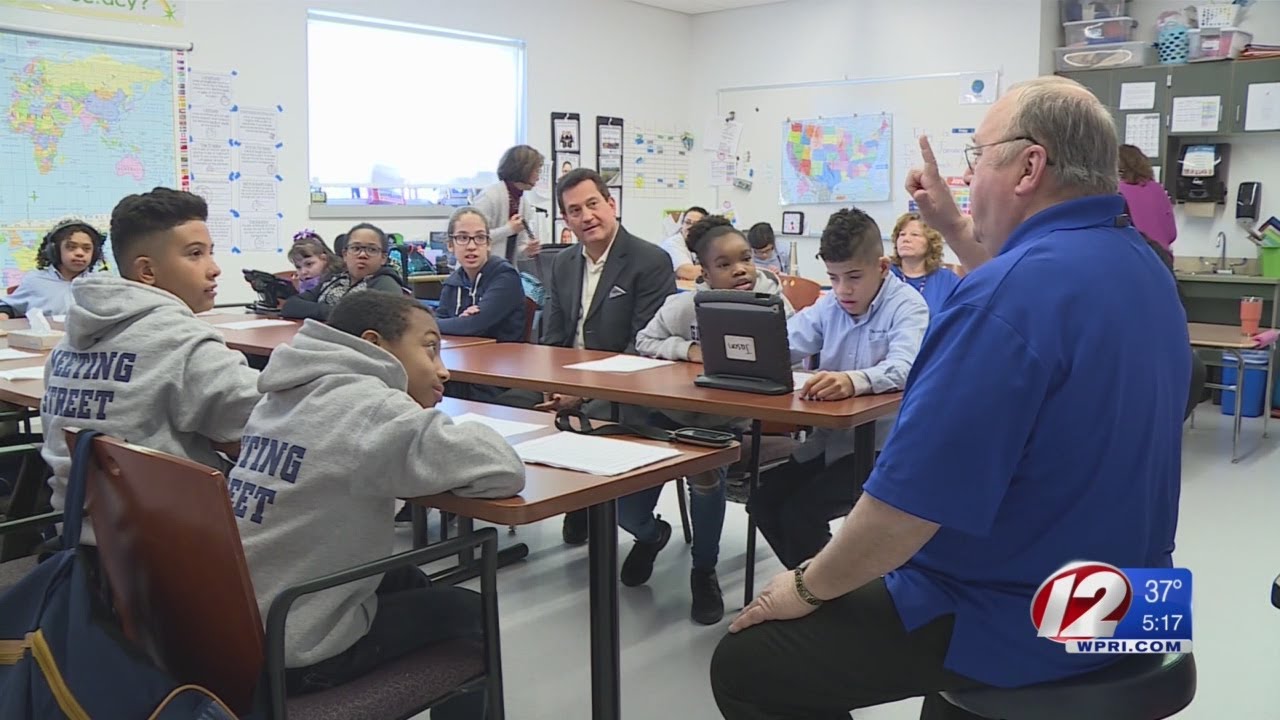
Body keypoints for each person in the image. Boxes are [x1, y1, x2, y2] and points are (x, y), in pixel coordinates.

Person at [711, 76, 1190, 719]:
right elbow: (1033, 287)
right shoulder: (1145, 270)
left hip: (1032, 615)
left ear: (1029, 165)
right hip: (1136, 596)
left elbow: (902, 513)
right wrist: (954, 225)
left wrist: (804, 584)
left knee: (748, 664)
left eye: (976, 158)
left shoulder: (1002, 300)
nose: (968, 182)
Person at [232, 291, 525, 713]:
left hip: (240, 625)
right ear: (374, 345)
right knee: (471, 612)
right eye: (429, 347)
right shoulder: (369, 408)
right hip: (298, 647)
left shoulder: (283, 394)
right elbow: (502, 467)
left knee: (407, 578)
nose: (442, 369)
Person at [40, 188, 261, 544]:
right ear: (147, 271)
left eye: (210, 252)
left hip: (80, 540)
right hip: (176, 552)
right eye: (195, 254)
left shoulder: (67, 345)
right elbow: (269, 431)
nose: (215, 268)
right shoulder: (185, 343)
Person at [629, 216, 796, 625]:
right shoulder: (682, 305)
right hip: (666, 416)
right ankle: (650, 534)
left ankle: (704, 569)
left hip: (723, 425)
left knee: (706, 476)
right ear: (704, 274)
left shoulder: (773, 304)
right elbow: (644, 340)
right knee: (625, 504)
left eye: (746, 259)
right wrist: (687, 349)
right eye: (724, 264)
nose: (740, 269)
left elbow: (799, 350)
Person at [747, 208, 928, 571]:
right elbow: (784, 342)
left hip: (883, 450)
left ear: (882, 266)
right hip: (829, 442)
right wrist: (746, 351)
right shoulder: (830, 304)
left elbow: (906, 368)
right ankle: (814, 587)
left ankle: (826, 594)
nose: (843, 289)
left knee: (801, 514)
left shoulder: (909, 307)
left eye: (853, 277)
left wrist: (852, 380)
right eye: (833, 277)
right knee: (763, 502)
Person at [516, 168, 676, 545]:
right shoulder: (565, 262)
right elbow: (553, 335)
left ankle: (649, 533)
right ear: (566, 220)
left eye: (593, 204)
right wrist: (548, 386)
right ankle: (572, 500)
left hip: (628, 391)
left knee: (623, 507)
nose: (586, 216)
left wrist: (583, 393)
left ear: (611, 204)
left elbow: (643, 347)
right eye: (574, 210)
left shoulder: (649, 260)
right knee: (503, 408)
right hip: (571, 386)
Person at [281, 222, 409, 322]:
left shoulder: (385, 283)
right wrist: (333, 312)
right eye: (356, 248)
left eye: (371, 249)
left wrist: (321, 311)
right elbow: (291, 306)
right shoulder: (335, 279)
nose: (362, 254)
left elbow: (371, 320)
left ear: (383, 258)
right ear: (345, 254)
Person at [436, 207, 526, 343]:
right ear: (450, 245)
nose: (471, 246)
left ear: (488, 244)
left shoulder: (505, 276)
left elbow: (474, 326)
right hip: (463, 356)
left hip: (502, 359)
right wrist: (460, 322)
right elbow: (436, 323)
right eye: (463, 238)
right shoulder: (453, 283)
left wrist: (462, 323)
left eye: (479, 237)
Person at [0, 219, 106, 319]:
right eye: (71, 247)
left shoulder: (101, 284)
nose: (80, 253)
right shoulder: (35, 281)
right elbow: (7, 307)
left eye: (87, 249)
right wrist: (4, 315)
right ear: (54, 250)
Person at [473, 144, 544, 262]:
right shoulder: (489, 196)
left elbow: (515, 249)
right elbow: (475, 238)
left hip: (506, 272)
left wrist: (527, 250)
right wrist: (509, 229)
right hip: (481, 270)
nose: (538, 177)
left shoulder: (523, 202)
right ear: (524, 169)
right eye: (536, 171)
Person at [888, 212, 962, 314]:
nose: (906, 239)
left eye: (915, 234)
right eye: (902, 234)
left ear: (930, 243)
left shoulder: (947, 280)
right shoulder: (885, 275)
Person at [1118, 144, 1177, 252]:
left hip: (1133, 258)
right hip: (1162, 259)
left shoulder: (1116, 192)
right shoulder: (1157, 189)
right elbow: (1171, 234)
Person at [658, 206, 708, 281]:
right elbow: (690, 273)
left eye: (696, 224)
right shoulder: (672, 244)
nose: (690, 228)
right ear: (682, 225)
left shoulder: (706, 242)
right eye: (687, 223)